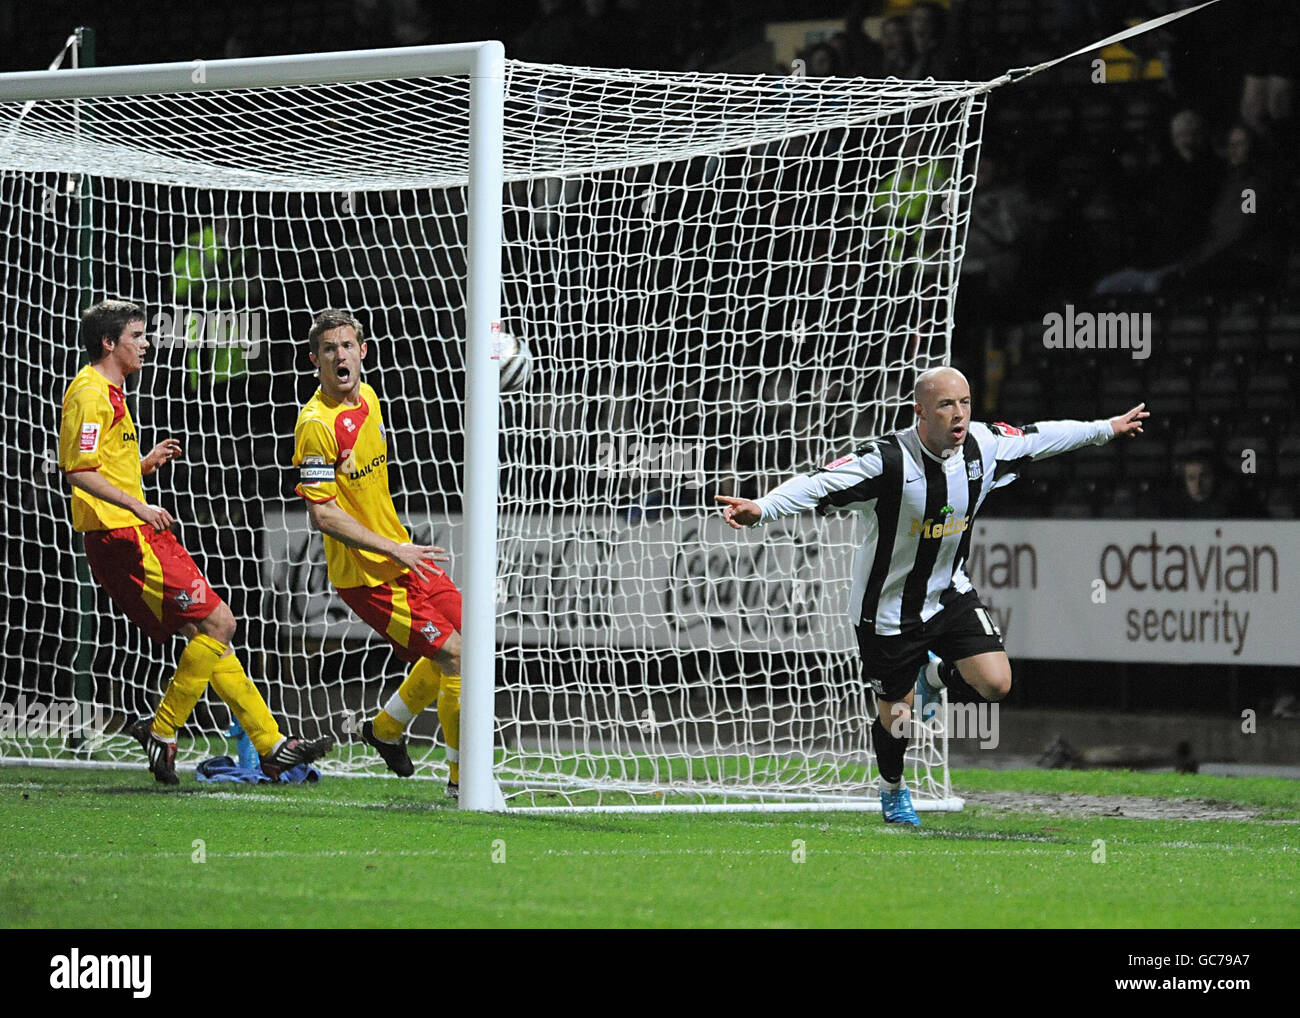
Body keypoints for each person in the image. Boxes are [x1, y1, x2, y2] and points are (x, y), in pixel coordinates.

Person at [715, 366, 1148, 826]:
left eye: (964, 403)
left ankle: (934, 678)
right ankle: (892, 790)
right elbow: (819, 481)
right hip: (886, 610)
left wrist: (1106, 429)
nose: (959, 414)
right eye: (946, 405)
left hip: (948, 593)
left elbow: (1040, 436)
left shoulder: (984, 444)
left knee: (997, 683)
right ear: (919, 411)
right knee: (897, 720)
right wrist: (762, 509)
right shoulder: (885, 461)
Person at [58, 300, 332, 784]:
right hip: (124, 536)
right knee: (221, 622)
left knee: (209, 639)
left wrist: (141, 464)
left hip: (131, 532)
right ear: (108, 343)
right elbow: (79, 471)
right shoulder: (90, 393)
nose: (146, 344)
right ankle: (163, 730)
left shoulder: (112, 391)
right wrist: (139, 504)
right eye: (136, 336)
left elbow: (102, 463)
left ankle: (270, 746)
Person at [291, 309, 464, 796]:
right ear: (315, 360)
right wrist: (394, 548)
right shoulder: (315, 426)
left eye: (347, 346)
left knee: (466, 641)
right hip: (367, 575)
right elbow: (322, 516)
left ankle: (385, 729)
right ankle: (460, 784)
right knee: (452, 656)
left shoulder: (367, 397)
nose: (340, 356)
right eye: (329, 349)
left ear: (362, 352)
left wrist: (399, 546)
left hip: (401, 553)